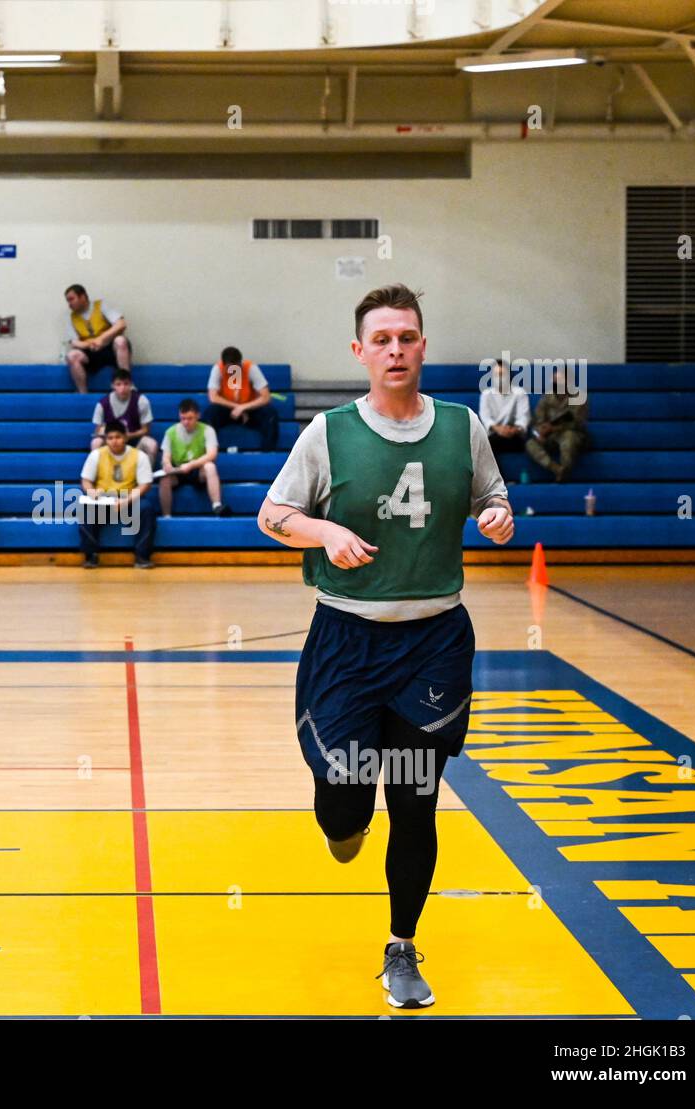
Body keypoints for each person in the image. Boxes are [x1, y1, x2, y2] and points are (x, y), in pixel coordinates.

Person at [256, 283, 514, 1009]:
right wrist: (326, 530)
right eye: (382, 339)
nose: (395, 349)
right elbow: (272, 513)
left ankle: (402, 945)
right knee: (343, 807)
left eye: (407, 337)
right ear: (359, 351)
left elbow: (492, 495)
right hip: (346, 641)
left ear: (423, 345)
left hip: (432, 645)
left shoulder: (462, 426)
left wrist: (497, 514)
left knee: (415, 798)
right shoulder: (328, 432)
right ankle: (343, 816)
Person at [79, 420, 157, 569]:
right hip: (103, 499)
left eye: (118, 437)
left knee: (147, 509)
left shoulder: (139, 456)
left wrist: (126, 501)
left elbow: (145, 485)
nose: (114, 441)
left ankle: (142, 556)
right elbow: (86, 480)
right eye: (110, 438)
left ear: (126, 437)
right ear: (106, 439)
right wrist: (91, 492)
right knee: (85, 511)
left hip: (129, 499)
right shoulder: (97, 455)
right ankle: (91, 555)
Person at [159, 398, 229, 517]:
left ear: (198, 415)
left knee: (210, 467)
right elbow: (166, 456)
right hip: (179, 470)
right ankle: (167, 515)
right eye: (183, 418)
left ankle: (217, 505)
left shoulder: (207, 430)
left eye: (190, 418)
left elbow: (212, 454)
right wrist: (167, 465)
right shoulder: (170, 432)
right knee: (164, 478)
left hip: (198, 469)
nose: (186, 422)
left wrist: (192, 465)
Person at [202, 346, 279, 450]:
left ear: (240, 364)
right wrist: (237, 407)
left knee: (270, 414)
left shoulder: (250, 368)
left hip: (249, 409)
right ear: (223, 365)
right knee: (210, 413)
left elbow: (266, 397)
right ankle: (210, 451)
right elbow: (213, 397)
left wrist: (243, 408)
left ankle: (268, 453)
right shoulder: (217, 369)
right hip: (227, 410)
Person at [64, 284, 131, 394]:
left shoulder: (100, 305)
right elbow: (74, 342)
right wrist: (91, 344)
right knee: (72, 355)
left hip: (110, 349)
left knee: (120, 341)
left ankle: (127, 386)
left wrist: (101, 339)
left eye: (71, 299)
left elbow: (121, 324)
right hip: (91, 353)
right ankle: (83, 394)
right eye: (67, 301)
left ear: (83, 296)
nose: (69, 304)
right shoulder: (71, 317)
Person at [525, 366, 589, 482]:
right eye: (554, 380)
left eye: (558, 380)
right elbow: (537, 421)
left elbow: (577, 422)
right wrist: (539, 432)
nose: (555, 383)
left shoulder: (579, 396)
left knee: (569, 438)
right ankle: (557, 469)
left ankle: (565, 471)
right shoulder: (547, 397)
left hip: (572, 434)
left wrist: (553, 428)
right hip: (550, 436)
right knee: (530, 443)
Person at [90, 368, 158, 464]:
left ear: (131, 384)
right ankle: (99, 476)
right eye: (118, 384)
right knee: (96, 442)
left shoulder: (141, 401)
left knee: (151, 444)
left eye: (126, 384)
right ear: (112, 385)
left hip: (134, 443)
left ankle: (145, 476)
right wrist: (113, 436)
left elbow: (146, 430)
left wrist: (128, 435)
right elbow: (97, 430)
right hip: (111, 444)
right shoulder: (102, 404)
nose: (122, 388)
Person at [479, 355, 530, 455]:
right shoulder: (486, 394)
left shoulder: (520, 393)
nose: (499, 378)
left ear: (509, 376)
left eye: (502, 374)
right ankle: (497, 471)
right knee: (486, 444)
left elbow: (524, 417)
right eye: (496, 375)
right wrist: (499, 429)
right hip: (494, 434)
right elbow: (485, 418)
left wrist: (513, 430)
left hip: (515, 435)